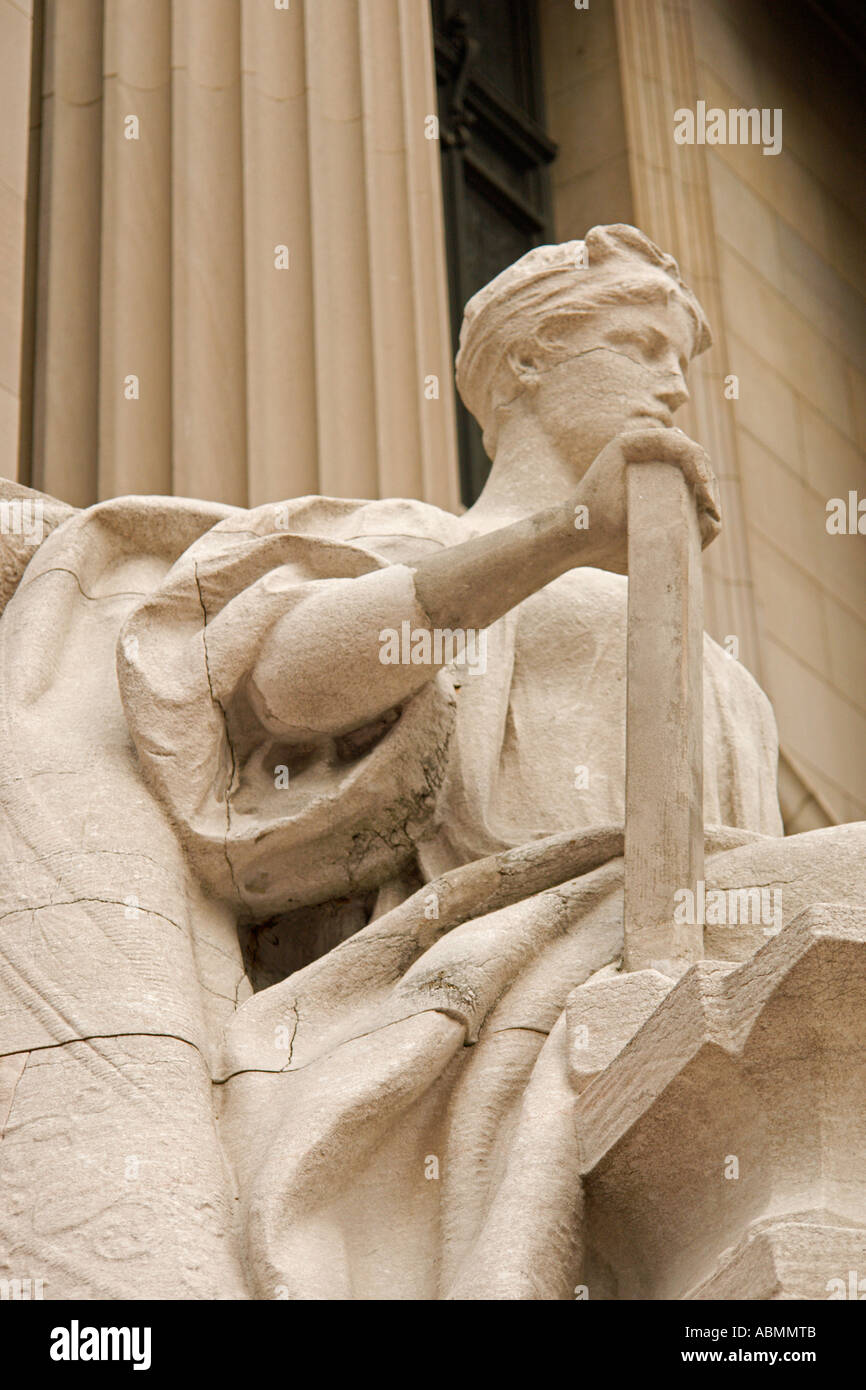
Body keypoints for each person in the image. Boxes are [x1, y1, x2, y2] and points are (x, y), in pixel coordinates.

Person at [0, 226, 861, 1299]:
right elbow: (277, 683)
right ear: (527, 362)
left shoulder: (719, 662)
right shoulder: (403, 540)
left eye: (678, 362)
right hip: (490, 967)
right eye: (637, 345)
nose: (672, 388)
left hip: (690, 969)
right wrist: (562, 534)